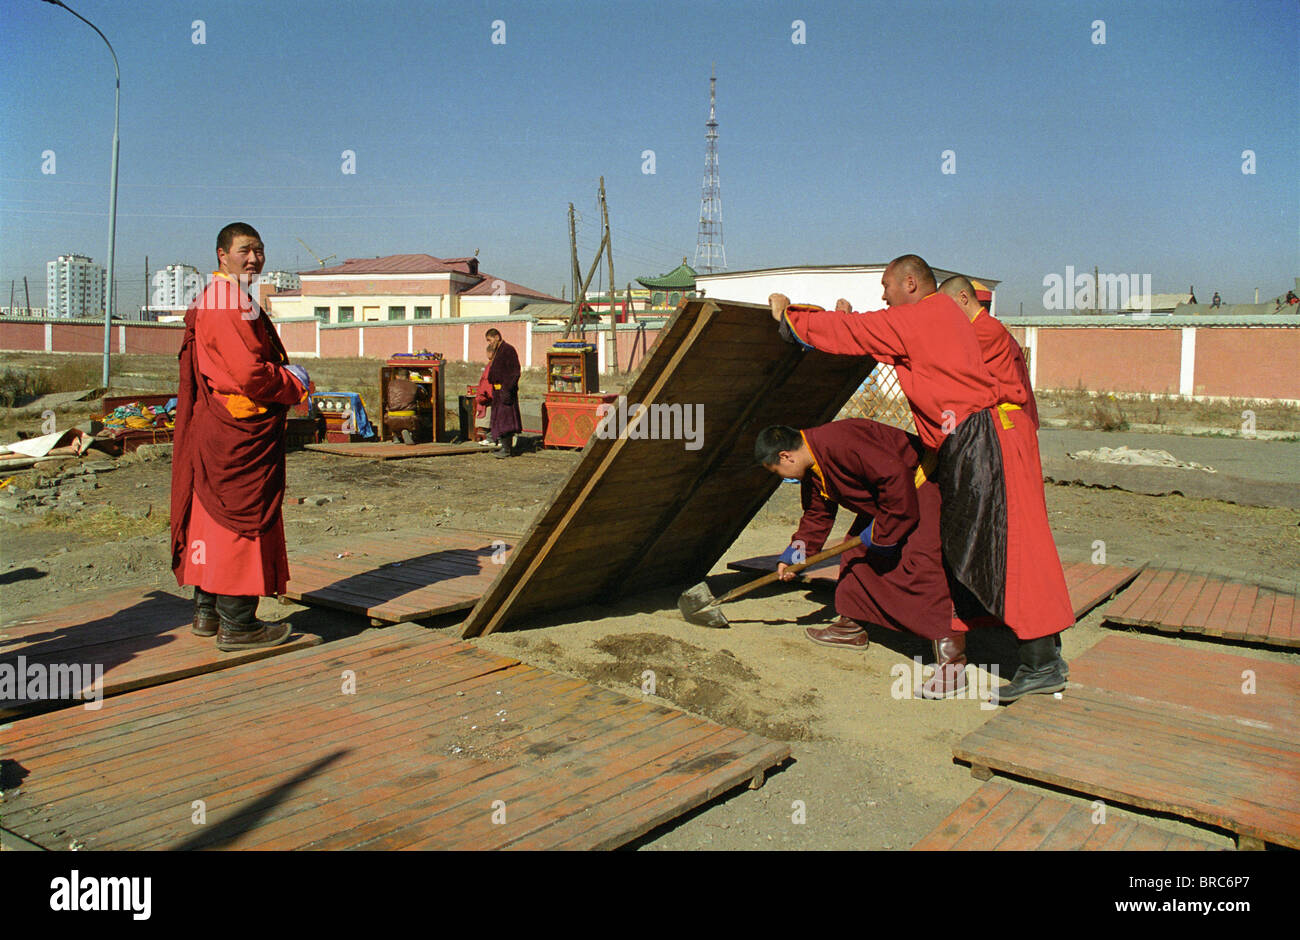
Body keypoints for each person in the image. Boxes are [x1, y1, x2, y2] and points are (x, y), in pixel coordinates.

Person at [769, 254, 1074, 704]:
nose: (883, 295)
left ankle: (1040, 663)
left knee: (1004, 550)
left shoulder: (923, 315)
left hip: (980, 442)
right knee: (993, 549)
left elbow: (859, 334)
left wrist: (790, 316)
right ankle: (1039, 653)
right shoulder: (939, 320)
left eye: (886, 286)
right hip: (977, 441)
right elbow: (874, 340)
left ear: (910, 282)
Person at [170, 222, 309, 651]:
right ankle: (240, 624)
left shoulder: (215, 298)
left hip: (218, 426)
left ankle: (207, 612)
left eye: (260, 250)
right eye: (245, 250)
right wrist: (292, 382)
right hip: (238, 430)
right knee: (240, 522)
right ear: (221, 255)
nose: (254, 259)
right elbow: (248, 374)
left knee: (210, 516)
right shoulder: (228, 301)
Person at [757, 421, 970, 698]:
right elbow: (816, 516)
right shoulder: (813, 465)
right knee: (856, 551)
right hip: (891, 499)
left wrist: (885, 530)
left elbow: (894, 476)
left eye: (777, 471)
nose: (781, 476)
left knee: (922, 562)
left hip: (920, 482)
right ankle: (851, 628)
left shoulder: (840, 442)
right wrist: (794, 557)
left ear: (786, 456)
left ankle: (953, 665)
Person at [938, 275, 1039, 429]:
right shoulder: (989, 330)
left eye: (946, 306)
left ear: (964, 298)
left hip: (1003, 420)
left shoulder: (986, 330)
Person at [485, 328, 522, 458]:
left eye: (490, 340)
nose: (489, 343)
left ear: (497, 337)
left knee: (506, 422)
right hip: (498, 392)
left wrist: (507, 389)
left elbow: (515, 372)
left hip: (505, 391)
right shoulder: (498, 351)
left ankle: (507, 450)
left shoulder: (508, 350)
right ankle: (503, 447)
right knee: (500, 420)